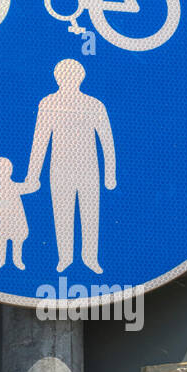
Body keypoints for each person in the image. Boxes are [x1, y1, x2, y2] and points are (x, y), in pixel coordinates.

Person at [23, 59, 115, 273]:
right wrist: (32, 175)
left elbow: (107, 141)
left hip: (89, 170)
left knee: (90, 214)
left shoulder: (94, 104)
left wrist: (110, 175)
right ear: (57, 78)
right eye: (64, 75)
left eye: (72, 75)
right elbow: (40, 141)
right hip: (60, 169)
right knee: (62, 213)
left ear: (80, 78)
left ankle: (91, 258)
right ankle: (64, 258)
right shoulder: (48, 103)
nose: (68, 79)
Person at [0, 157, 30, 269]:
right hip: (2, 223)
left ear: (10, 171)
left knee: (17, 241)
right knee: (2, 242)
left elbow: (29, 188)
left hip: (17, 222)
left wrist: (33, 182)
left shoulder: (14, 186)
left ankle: (17, 261)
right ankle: (1, 261)